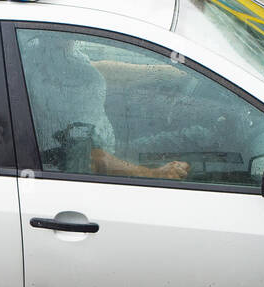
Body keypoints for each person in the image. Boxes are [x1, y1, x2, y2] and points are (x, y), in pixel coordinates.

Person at [20, 32, 191, 181]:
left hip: (110, 149)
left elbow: (96, 68)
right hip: (100, 169)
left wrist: (158, 73)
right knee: (189, 142)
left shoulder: (41, 57)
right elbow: (93, 158)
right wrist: (155, 174)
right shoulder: (57, 90)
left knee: (184, 138)